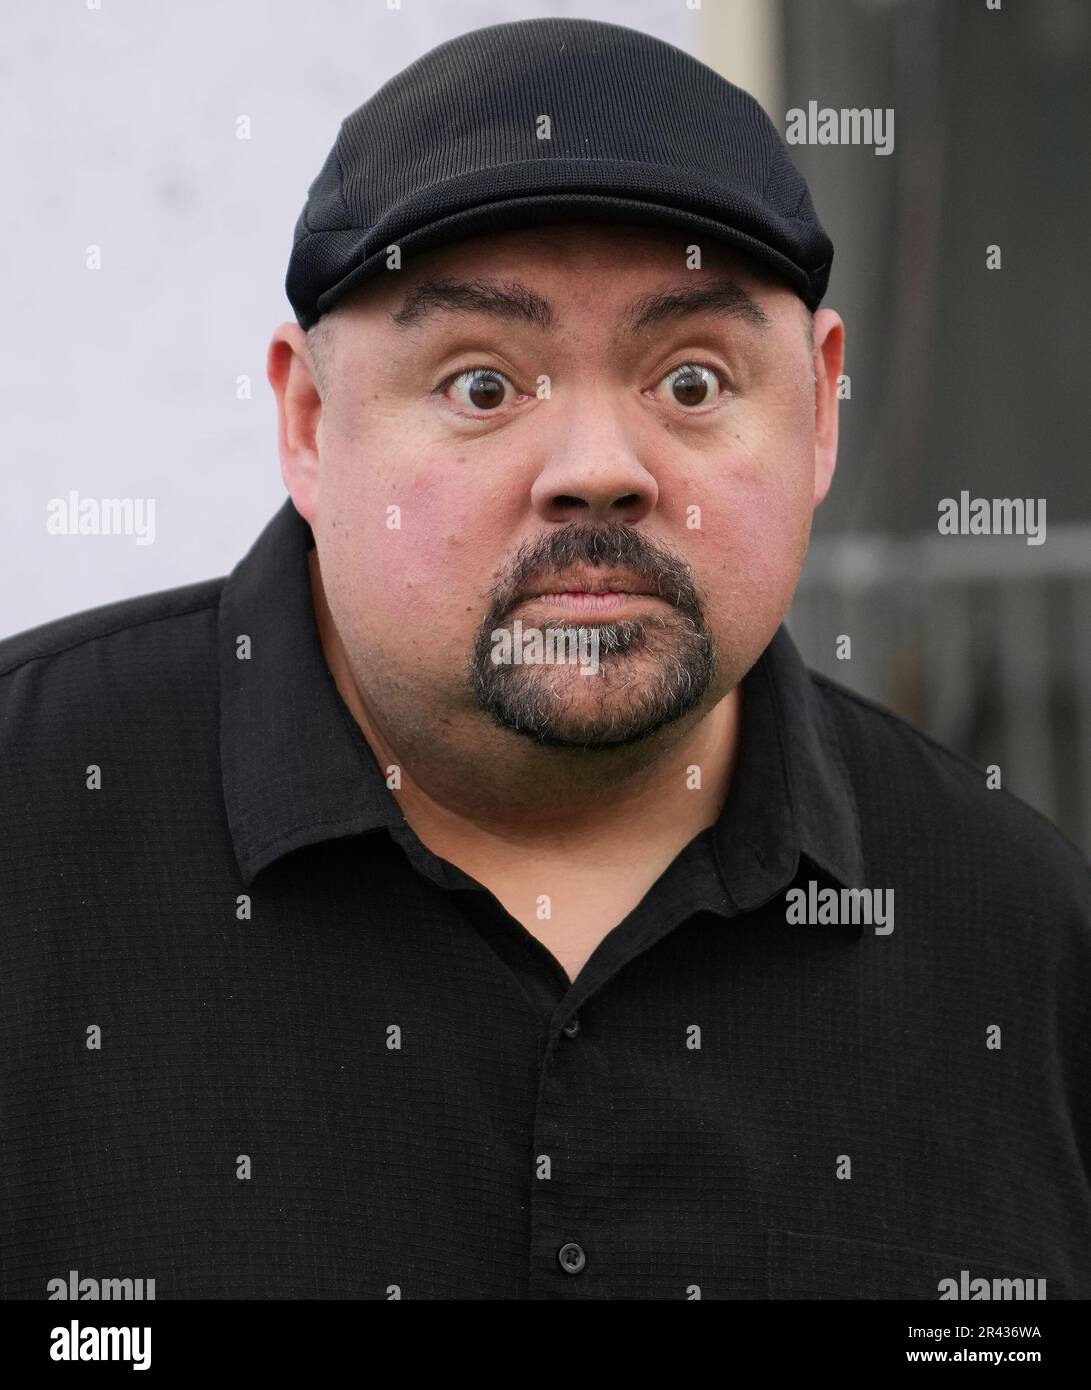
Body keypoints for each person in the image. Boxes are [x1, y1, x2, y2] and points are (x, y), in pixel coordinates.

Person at [2, 17, 1088, 1302]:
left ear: (817, 416)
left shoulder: (1016, 932)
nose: (596, 472)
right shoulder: (34, 824)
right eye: (479, 385)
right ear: (306, 422)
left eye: (689, 383)